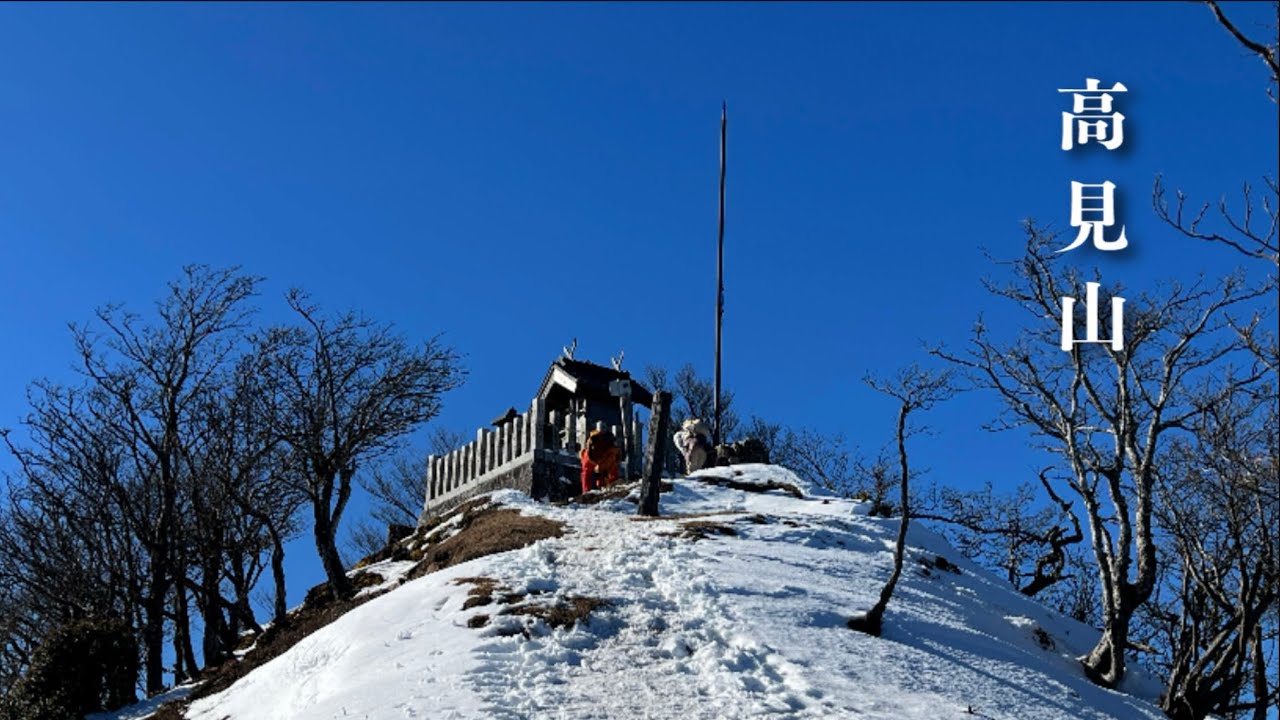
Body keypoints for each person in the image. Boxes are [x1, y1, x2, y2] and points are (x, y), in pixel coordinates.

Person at [580, 428, 620, 494]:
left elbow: (613, 471)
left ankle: (604, 487)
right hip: (598, 461)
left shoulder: (610, 454)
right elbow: (586, 475)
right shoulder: (588, 456)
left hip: (603, 460)